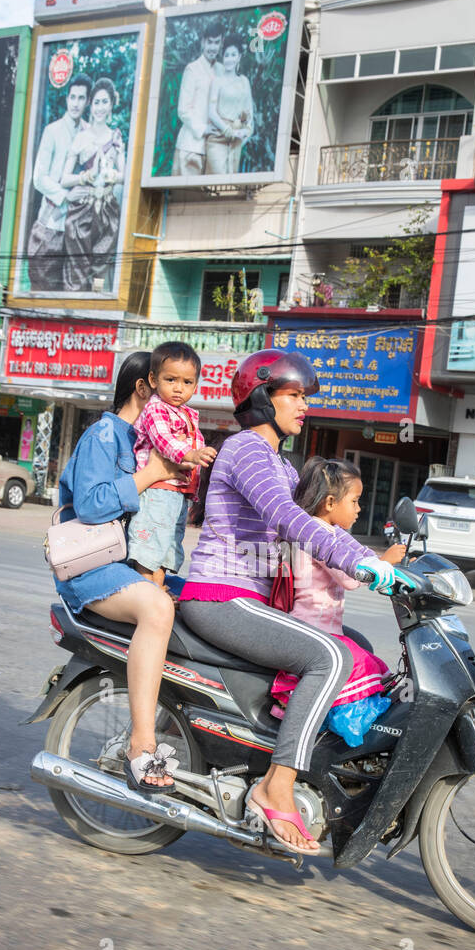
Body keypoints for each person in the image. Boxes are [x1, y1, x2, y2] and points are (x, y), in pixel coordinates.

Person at [178, 349, 404, 856]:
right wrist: (361, 562)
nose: (304, 406)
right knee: (331, 655)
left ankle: (321, 774)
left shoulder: (278, 463)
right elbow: (290, 521)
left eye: (306, 397)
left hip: (251, 601)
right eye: (295, 395)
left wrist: (370, 560)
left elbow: (315, 526)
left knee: (354, 644)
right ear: (263, 397)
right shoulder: (245, 450)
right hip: (221, 597)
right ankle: (276, 784)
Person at [53, 351, 189, 790]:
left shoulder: (148, 440)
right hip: (95, 568)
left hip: (133, 565)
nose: (178, 395)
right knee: (156, 609)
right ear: (145, 386)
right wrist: (149, 475)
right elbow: (91, 506)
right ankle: (142, 746)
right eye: (169, 383)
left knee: (207, 600)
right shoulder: (104, 435)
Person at [269, 458, 396, 747]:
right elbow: (349, 578)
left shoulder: (325, 531)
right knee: (362, 663)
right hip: (314, 627)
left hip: (321, 626)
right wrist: (383, 563)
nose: (359, 508)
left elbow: (357, 554)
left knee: (363, 653)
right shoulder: (317, 534)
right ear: (329, 503)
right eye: (354, 501)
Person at [128, 342, 215, 586]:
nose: (179, 388)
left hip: (177, 492)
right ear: (154, 380)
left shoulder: (187, 413)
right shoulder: (156, 408)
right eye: (171, 380)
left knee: (166, 547)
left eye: (187, 382)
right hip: (158, 490)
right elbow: (163, 439)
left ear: (195, 385)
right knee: (150, 547)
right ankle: (147, 594)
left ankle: (158, 589)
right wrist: (191, 455)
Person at [27, 73, 91, 291]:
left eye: (81, 98)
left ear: (88, 101)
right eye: (72, 97)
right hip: (51, 222)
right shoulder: (52, 131)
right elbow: (38, 178)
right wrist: (65, 196)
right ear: (67, 99)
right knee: (42, 290)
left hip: (80, 227)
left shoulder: (91, 132)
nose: (76, 103)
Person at [61, 78, 125, 292]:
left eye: (104, 102)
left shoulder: (115, 137)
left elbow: (126, 175)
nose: (99, 107)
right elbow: (64, 179)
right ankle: (71, 317)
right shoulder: (81, 138)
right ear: (91, 105)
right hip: (82, 211)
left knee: (100, 267)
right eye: (96, 102)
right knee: (78, 267)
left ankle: (94, 309)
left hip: (107, 211)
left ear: (111, 106)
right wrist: (86, 176)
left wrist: (112, 175)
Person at [172, 20, 223, 176]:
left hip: (214, 149)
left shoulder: (222, 70)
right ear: (203, 42)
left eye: (217, 43)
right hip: (190, 147)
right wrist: (203, 129)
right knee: (184, 198)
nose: (213, 47)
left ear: (221, 43)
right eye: (210, 42)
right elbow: (183, 110)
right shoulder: (192, 69)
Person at [206, 36, 254, 176]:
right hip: (218, 136)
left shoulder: (244, 81)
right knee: (217, 179)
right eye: (226, 55)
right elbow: (211, 112)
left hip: (237, 137)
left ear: (239, 57)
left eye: (233, 55)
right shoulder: (217, 82)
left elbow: (248, 111)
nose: (229, 59)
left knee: (230, 183)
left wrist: (246, 130)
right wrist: (228, 130)